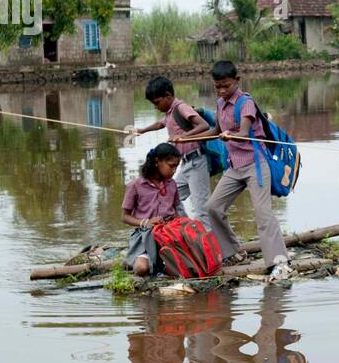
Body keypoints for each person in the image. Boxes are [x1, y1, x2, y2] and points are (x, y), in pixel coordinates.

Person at [196, 61, 290, 272]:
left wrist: (230, 135)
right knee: (213, 207)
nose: (222, 90)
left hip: (255, 165)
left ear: (237, 81)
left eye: (226, 86)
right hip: (234, 167)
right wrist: (188, 138)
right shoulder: (220, 103)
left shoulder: (245, 102)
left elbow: (244, 133)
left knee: (263, 213)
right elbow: (215, 131)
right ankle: (233, 252)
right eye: (217, 86)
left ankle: (278, 262)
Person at [125, 77, 214, 230]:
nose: (156, 107)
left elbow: (204, 125)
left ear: (168, 96)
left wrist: (184, 137)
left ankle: (206, 246)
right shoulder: (169, 112)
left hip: (196, 161)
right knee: (172, 197)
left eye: (157, 102)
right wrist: (142, 131)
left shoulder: (181, 107)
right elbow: (161, 123)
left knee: (201, 209)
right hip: (184, 164)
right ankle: (187, 229)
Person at [121, 143, 183, 276]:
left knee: (181, 269)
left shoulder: (172, 184)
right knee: (141, 269)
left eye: (176, 167)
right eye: (171, 166)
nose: (174, 171)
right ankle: (134, 259)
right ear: (157, 162)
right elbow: (125, 217)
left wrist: (183, 225)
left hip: (168, 235)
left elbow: (177, 210)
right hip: (144, 237)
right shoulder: (136, 185)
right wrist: (145, 223)